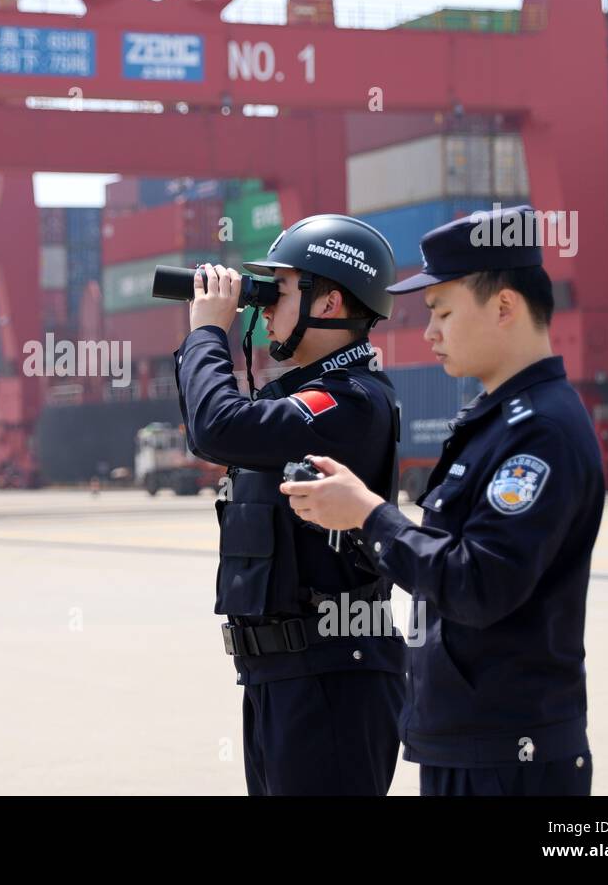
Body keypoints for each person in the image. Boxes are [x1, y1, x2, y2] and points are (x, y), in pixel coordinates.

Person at [281, 204, 603, 796]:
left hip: (511, 761)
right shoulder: (496, 422)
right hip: (469, 744)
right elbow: (452, 556)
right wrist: (359, 515)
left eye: (442, 312)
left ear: (504, 306)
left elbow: (478, 583)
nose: (429, 332)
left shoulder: (541, 433)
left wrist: (370, 516)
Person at [174, 214, 405, 795]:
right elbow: (222, 425)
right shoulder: (307, 397)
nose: (266, 305)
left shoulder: (350, 402)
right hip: (282, 677)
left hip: (331, 684)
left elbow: (216, 426)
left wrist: (207, 332)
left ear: (327, 304)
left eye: (279, 289)